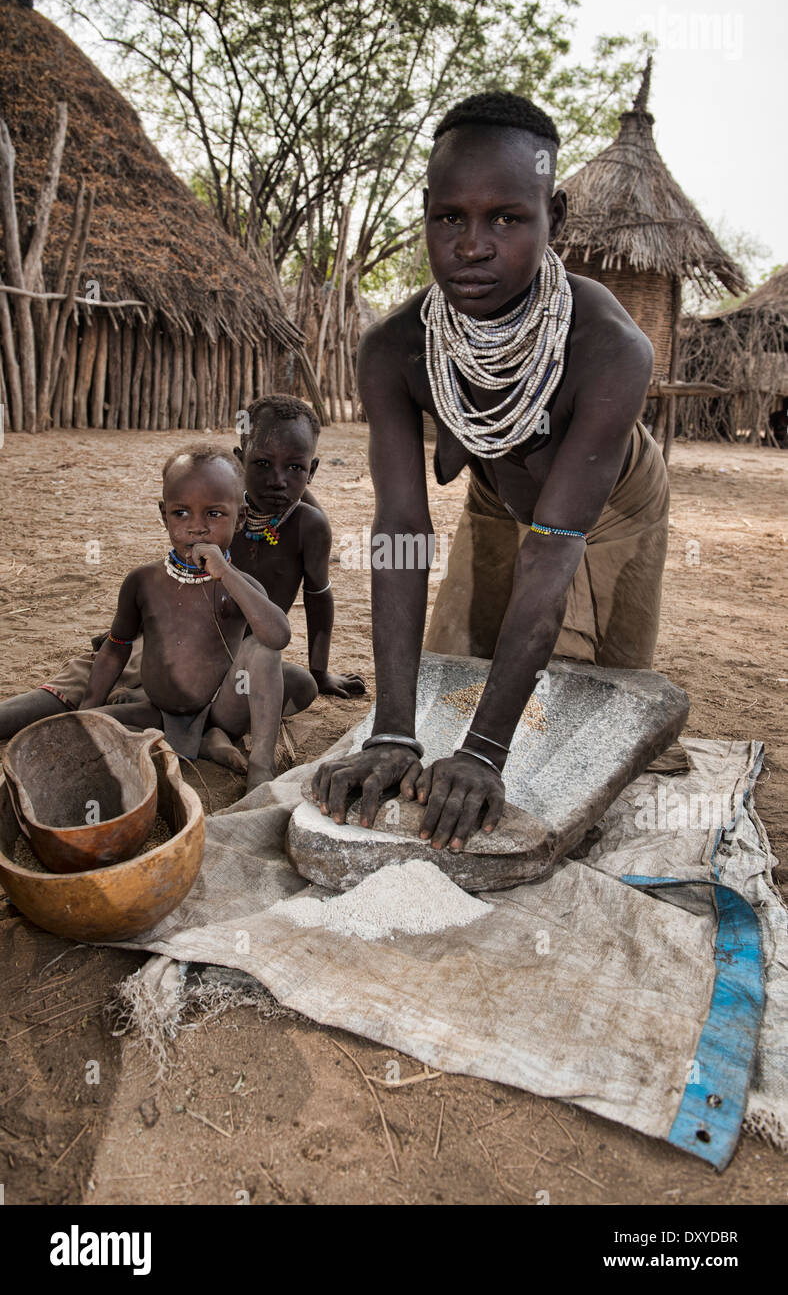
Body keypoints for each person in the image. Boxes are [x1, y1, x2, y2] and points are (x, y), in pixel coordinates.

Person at [311, 90, 670, 852]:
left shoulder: (610, 349)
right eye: (451, 218)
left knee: (583, 708)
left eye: (507, 218)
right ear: (427, 213)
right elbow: (402, 531)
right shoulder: (395, 349)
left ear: (556, 217)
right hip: (497, 494)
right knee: (456, 673)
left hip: (607, 513)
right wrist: (393, 732)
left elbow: (554, 548)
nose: (473, 245)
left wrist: (484, 753)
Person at [0, 395, 366, 764]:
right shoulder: (214, 508)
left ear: (311, 470)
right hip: (166, 646)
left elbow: (319, 595)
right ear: (240, 459)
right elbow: (163, 589)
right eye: (261, 464)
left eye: (295, 468)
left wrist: (320, 672)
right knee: (85, 680)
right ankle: (173, 718)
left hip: (233, 661)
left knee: (298, 684)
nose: (277, 480)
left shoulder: (308, 525)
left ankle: (187, 722)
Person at [78, 445, 291, 790]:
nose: (197, 528)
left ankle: (260, 765)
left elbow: (278, 636)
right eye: (181, 514)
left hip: (223, 708)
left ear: (241, 517)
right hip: (157, 711)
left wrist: (226, 574)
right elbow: (117, 647)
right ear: (164, 515)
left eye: (214, 514)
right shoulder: (142, 581)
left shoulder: (239, 586)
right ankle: (208, 742)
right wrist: (88, 705)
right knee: (90, 728)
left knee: (264, 650)